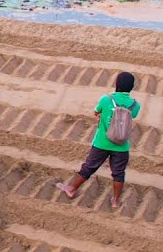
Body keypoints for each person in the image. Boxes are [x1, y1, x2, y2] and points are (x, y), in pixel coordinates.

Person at [57, 72, 142, 209]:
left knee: (89, 167)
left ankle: (71, 189)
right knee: (118, 173)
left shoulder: (106, 99)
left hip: (102, 142)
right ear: (131, 87)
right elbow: (133, 115)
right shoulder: (135, 105)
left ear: (116, 84)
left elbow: (96, 112)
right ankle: (115, 201)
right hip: (121, 145)